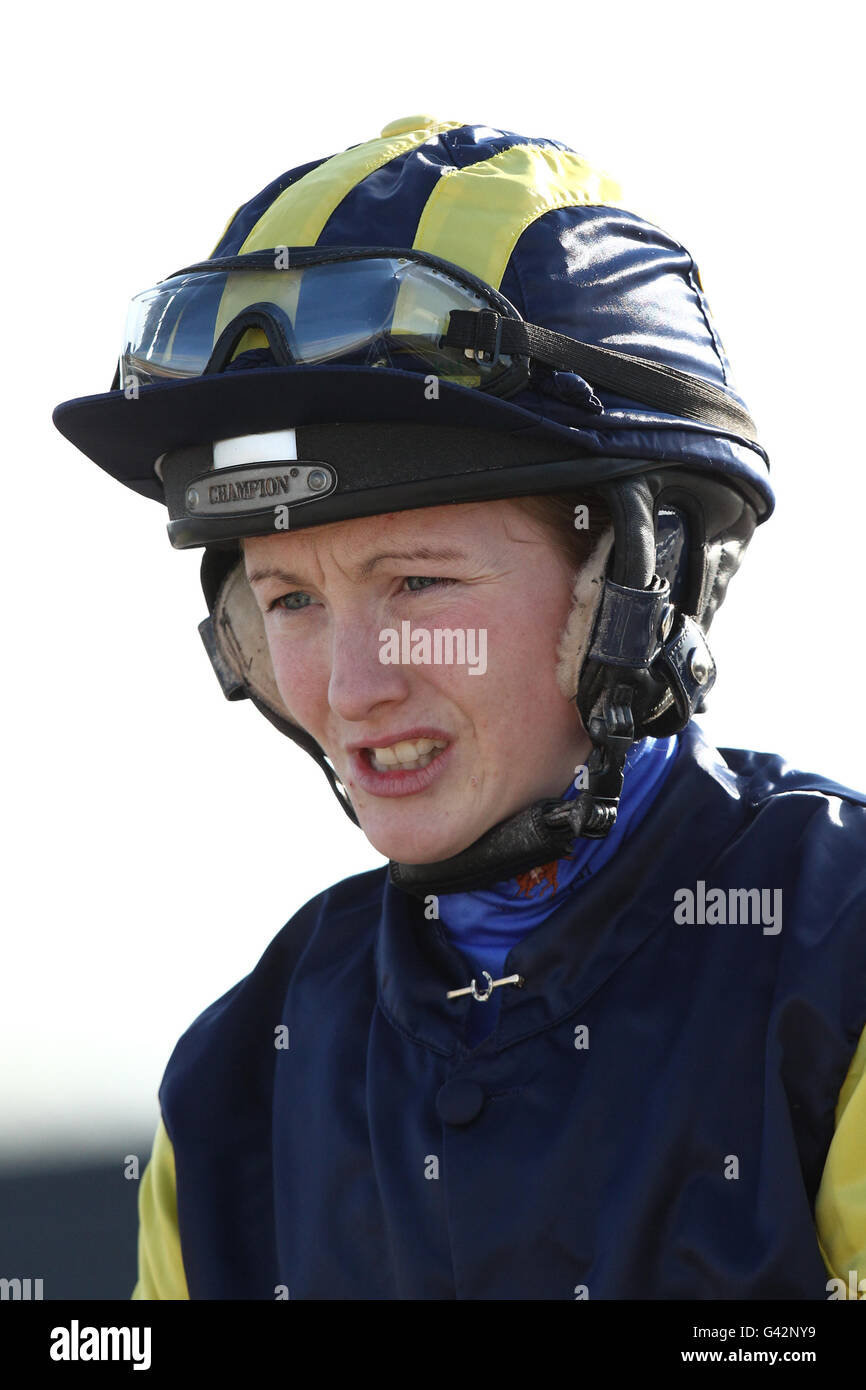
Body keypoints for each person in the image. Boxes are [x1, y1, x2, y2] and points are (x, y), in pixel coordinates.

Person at [53, 115, 866, 1301]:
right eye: (287, 599)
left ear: (639, 583)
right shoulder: (234, 1091)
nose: (348, 684)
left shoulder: (835, 968)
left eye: (419, 582)